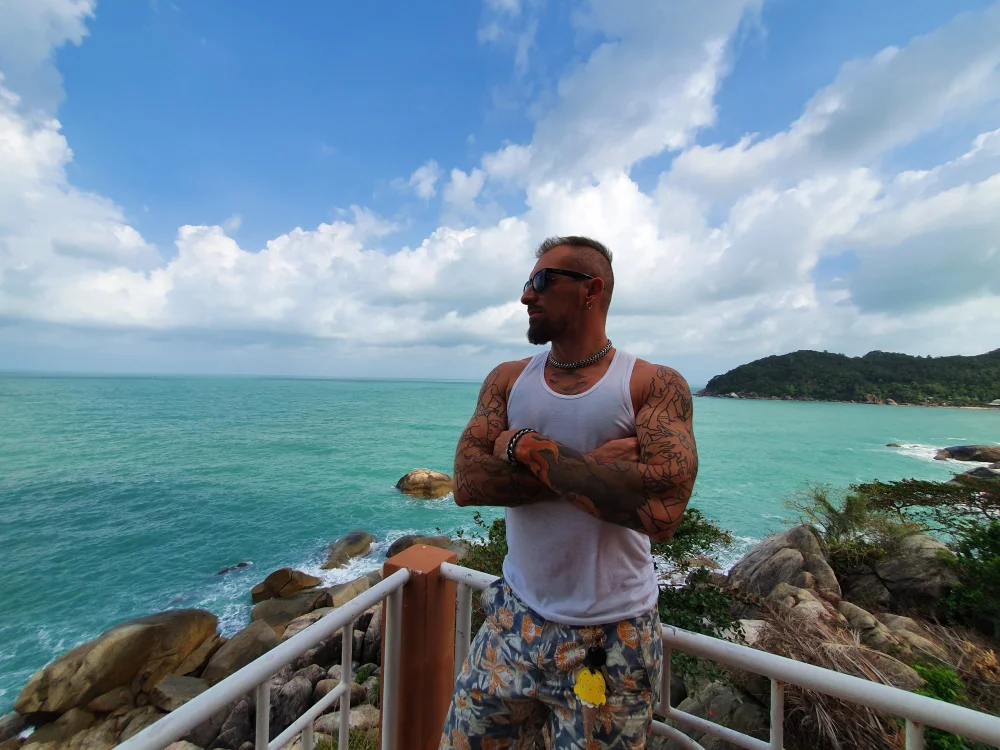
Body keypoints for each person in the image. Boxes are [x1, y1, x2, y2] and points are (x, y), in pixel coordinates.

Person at [440, 236, 699, 748]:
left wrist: (522, 445)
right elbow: (467, 483)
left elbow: (664, 513)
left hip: (613, 638)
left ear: (591, 290)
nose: (526, 295)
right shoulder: (507, 379)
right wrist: (598, 469)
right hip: (512, 619)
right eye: (527, 282)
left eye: (542, 281)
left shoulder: (652, 384)